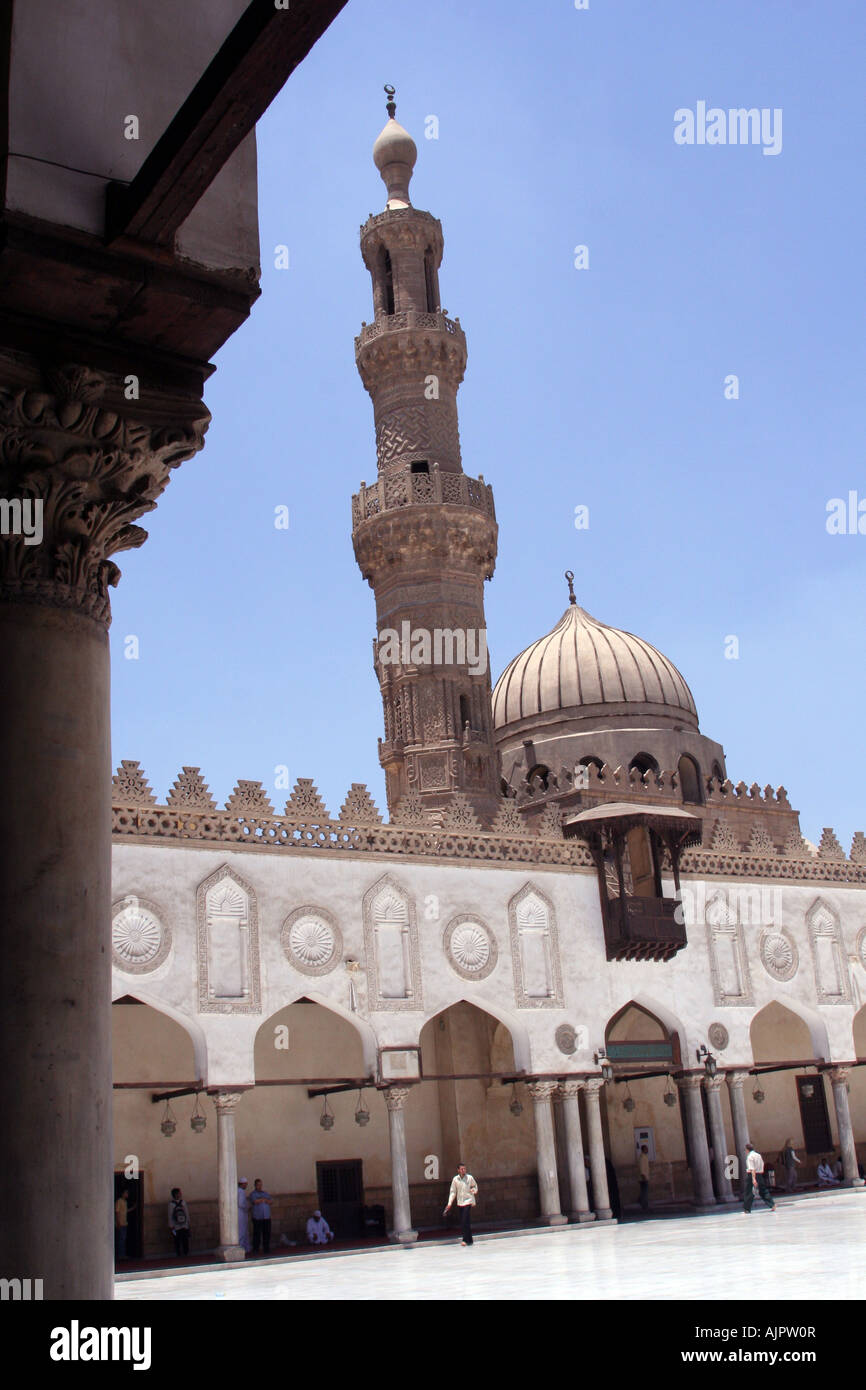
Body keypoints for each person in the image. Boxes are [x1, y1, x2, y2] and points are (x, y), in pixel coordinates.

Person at [444, 1162, 478, 1246]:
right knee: (465, 1221)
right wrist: (449, 1203)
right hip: (460, 1202)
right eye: (462, 1169)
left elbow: (475, 1186)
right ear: (458, 1170)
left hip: (468, 1201)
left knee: (464, 1220)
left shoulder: (469, 1178)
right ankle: (470, 1240)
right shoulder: (455, 1179)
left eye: (464, 1169)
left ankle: (465, 1240)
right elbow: (453, 1192)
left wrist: (474, 1190)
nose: (463, 1170)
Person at [743, 1143, 776, 1214]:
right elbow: (762, 1164)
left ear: (747, 1150)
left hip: (752, 1175)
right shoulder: (758, 1155)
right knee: (763, 1190)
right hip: (759, 1174)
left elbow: (752, 1169)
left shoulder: (750, 1157)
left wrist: (753, 1178)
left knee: (748, 1192)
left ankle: (747, 1209)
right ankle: (772, 1204)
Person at [249, 1178, 272, 1254]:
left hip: (266, 1217)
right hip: (257, 1217)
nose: (260, 1186)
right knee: (257, 1234)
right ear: (255, 1185)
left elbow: (270, 1201)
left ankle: (266, 1248)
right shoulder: (253, 1194)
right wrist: (263, 1200)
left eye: (261, 1185)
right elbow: (255, 1201)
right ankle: (256, 1249)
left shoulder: (265, 1193)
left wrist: (263, 1200)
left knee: (266, 1233)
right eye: (258, 1185)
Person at [168, 1186, 191, 1256]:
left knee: (185, 1239)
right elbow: (170, 1215)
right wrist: (171, 1226)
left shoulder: (183, 1202)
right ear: (175, 1194)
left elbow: (186, 1213)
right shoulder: (171, 1204)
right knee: (177, 1240)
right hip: (176, 1226)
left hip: (184, 1225)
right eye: (179, 1193)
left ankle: (185, 1252)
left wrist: (188, 1222)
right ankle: (179, 1253)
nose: (180, 1194)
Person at [114, 1186, 134, 1261]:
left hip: (124, 1223)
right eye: (126, 1193)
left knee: (123, 1239)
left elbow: (125, 1211)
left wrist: (133, 1208)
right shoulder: (119, 1201)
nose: (127, 1194)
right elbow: (117, 1212)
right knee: (121, 1239)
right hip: (120, 1223)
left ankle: (122, 1254)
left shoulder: (125, 1202)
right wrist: (118, 1222)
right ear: (122, 1193)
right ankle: (120, 1255)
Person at [237, 1178, 251, 1254]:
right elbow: (241, 1203)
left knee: (243, 1232)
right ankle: (241, 1249)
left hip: (240, 1213)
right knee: (242, 1232)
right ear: (242, 1184)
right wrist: (248, 1206)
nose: (246, 1185)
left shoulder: (237, 1191)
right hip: (241, 1213)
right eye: (245, 1184)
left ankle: (245, 1248)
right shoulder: (241, 1191)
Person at [637, 1144, 650, 1213]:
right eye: (646, 1148)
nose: (647, 1150)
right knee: (645, 1192)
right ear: (643, 1149)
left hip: (644, 1177)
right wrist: (644, 1176)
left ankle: (641, 1201)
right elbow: (642, 1168)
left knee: (643, 1191)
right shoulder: (642, 1157)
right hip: (643, 1178)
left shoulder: (644, 1157)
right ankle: (644, 1205)